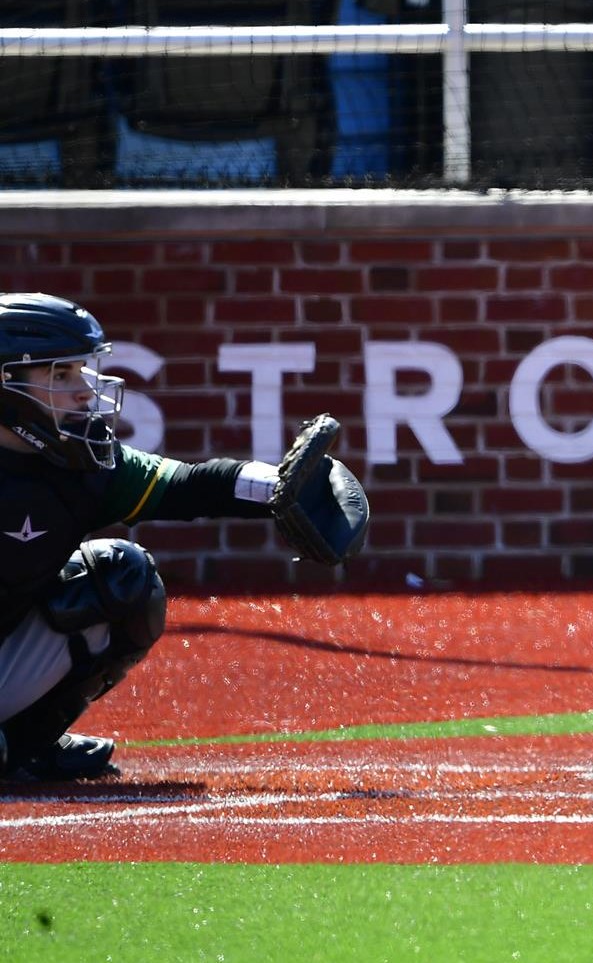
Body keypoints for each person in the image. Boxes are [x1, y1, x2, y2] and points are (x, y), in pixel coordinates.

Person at [0, 293, 368, 781]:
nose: (85, 392)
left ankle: (28, 746)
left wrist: (282, 489)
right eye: (60, 376)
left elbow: (190, 485)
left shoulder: (82, 466)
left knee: (122, 577)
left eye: (81, 372)